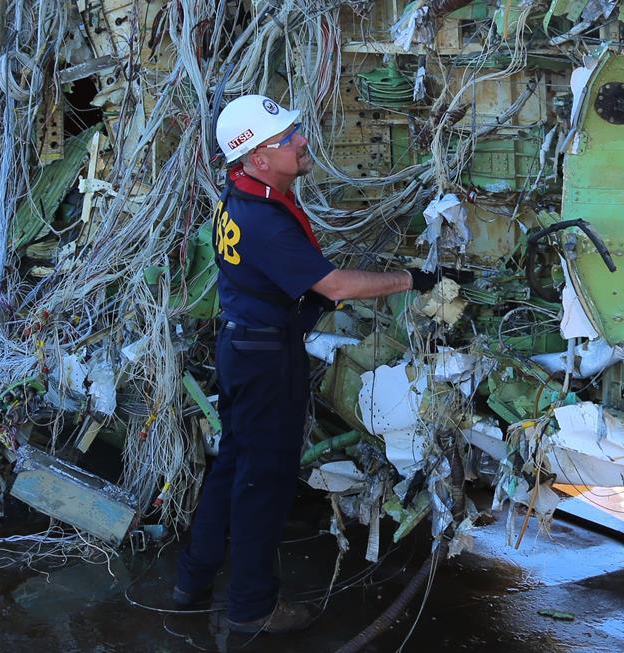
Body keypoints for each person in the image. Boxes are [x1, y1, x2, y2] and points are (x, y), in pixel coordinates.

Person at [173, 95, 436, 634]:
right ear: (257, 157)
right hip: (266, 359)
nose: (301, 141)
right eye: (286, 138)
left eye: (295, 129)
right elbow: (334, 284)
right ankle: (251, 609)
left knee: (232, 468)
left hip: (244, 348)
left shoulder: (240, 194)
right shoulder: (264, 218)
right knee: (262, 485)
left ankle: (191, 581)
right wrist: (413, 278)